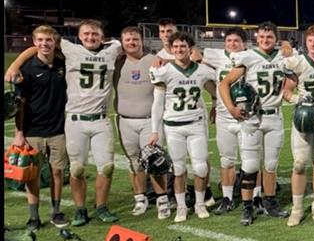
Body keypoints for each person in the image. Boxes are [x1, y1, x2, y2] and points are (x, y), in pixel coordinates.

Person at [7, 19, 123, 226]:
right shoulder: (69, 49)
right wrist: (15, 64)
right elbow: (40, 45)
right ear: (78, 36)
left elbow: (133, 47)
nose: (90, 37)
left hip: (101, 120)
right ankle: (80, 209)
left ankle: (102, 207)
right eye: (86, 34)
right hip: (75, 120)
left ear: (103, 37)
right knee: (76, 169)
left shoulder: (113, 49)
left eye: (95, 34)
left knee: (106, 168)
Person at [219, 22, 290, 226]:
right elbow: (224, 83)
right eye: (262, 37)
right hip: (252, 118)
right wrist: (231, 108)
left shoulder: (283, 56)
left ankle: (270, 203)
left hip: (274, 116)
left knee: (270, 165)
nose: (265, 40)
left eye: (269, 37)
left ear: (276, 38)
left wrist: (287, 46)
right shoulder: (247, 57)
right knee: (250, 165)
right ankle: (247, 206)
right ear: (257, 38)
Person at [148, 31, 217, 222]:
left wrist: (214, 105)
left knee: (201, 168)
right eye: (175, 46)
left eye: (183, 46)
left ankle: (200, 203)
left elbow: (216, 89)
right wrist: (155, 130)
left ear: (190, 48)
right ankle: (181, 207)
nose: (179, 49)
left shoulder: (202, 70)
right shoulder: (164, 71)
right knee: (178, 169)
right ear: (170, 49)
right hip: (173, 127)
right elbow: (157, 104)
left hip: (195, 124)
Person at [10, 26, 69, 231]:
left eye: (49, 40)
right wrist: (19, 133)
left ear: (55, 42)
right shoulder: (26, 70)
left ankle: (56, 211)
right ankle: (33, 217)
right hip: (32, 132)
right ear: (34, 43)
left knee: (57, 173)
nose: (45, 44)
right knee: (33, 176)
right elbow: (20, 105)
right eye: (41, 40)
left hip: (59, 130)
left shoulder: (64, 63)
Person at [112, 26, 170, 219]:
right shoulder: (116, 61)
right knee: (134, 162)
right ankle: (140, 198)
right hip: (125, 120)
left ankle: (162, 199)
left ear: (141, 40)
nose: (131, 42)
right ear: (122, 42)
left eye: (135, 39)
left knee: (154, 160)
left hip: (148, 121)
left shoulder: (153, 60)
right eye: (127, 39)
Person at [281, 25, 314, 226]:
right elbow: (286, 92)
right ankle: (297, 208)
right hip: (303, 118)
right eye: (310, 40)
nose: (313, 43)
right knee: (299, 163)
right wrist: (300, 102)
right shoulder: (299, 63)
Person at [200, 27, 248, 216]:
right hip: (224, 116)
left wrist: (285, 44)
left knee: (251, 161)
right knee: (226, 160)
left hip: (246, 117)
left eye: (236, 41)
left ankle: (254, 198)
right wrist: (214, 97)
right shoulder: (216, 56)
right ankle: (227, 198)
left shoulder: (250, 56)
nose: (232, 44)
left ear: (244, 43)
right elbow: (196, 58)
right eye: (229, 41)